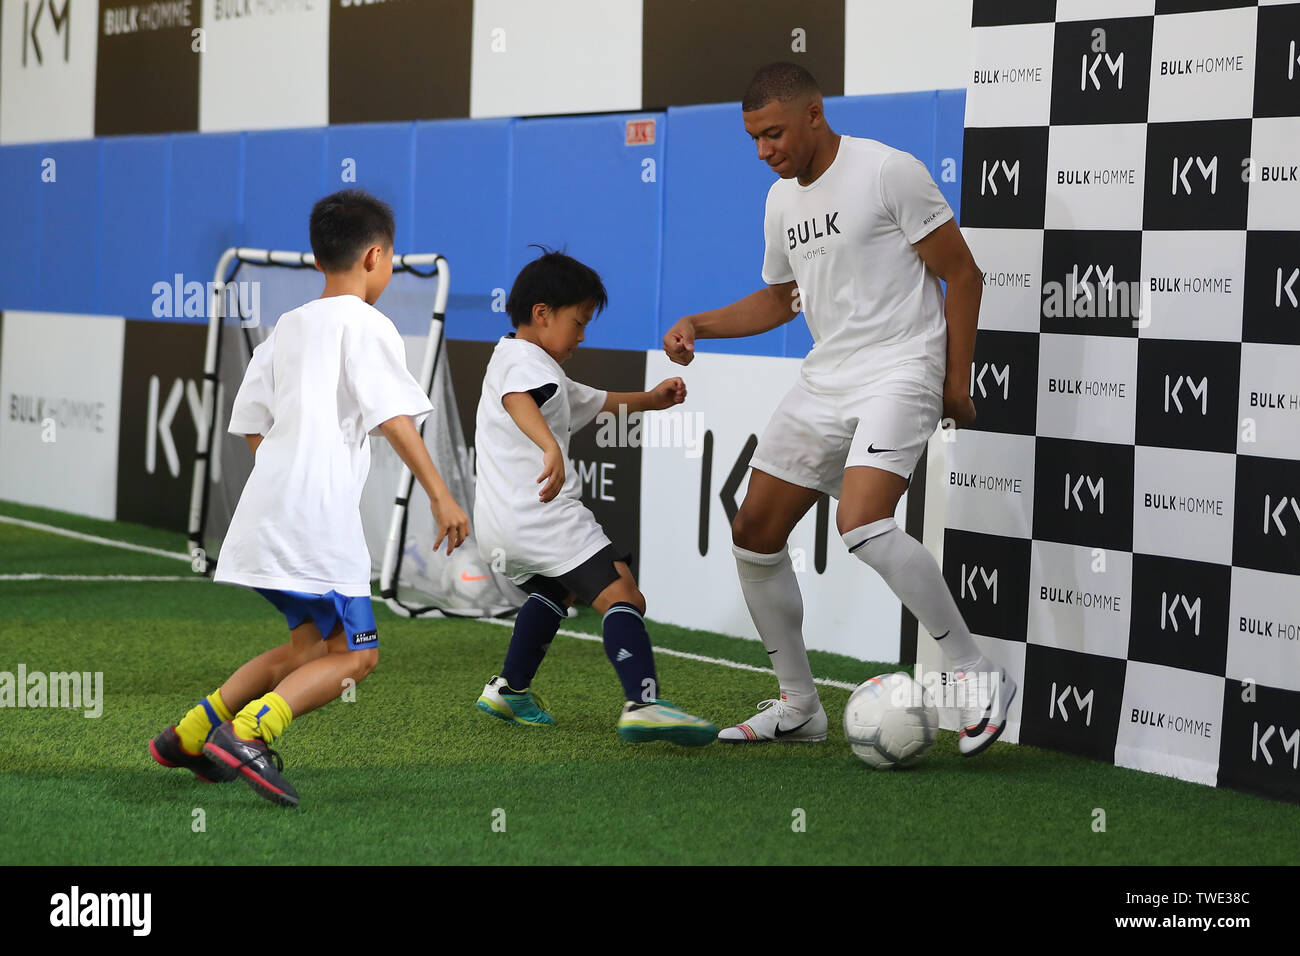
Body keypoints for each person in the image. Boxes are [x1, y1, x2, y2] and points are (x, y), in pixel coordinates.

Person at [663, 63, 1016, 755]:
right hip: (825, 378)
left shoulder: (889, 171)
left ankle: (977, 675)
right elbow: (778, 298)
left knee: (861, 522)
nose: (764, 151)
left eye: (773, 133)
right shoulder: (780, 201)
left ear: (814, 115)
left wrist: (956, 378)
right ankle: (800, 705)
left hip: (901, 366)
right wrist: (698, 324)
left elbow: (964, 272)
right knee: (754, 533)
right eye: (753, 139)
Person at [149, 189, 471, 806]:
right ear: (375, 256)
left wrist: (283, 478)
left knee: (307, 649)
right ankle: (247, 734)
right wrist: (441, 495)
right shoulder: (369, 325)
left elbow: (250, 424)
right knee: (357, 656)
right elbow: (394, 418)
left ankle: (192, 733)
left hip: (261, 516)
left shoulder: (284, 329)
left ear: (320, 259)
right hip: (317, 523)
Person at [473, 248, 716, 746]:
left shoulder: (528, 363)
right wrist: (549, 447)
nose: (582, 336)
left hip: (502, 525)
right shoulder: (525, 364)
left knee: (557, 589)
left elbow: (596, 401)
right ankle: (643, 704)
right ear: (541, 314)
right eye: (578, 322)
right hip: (543, 515)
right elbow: (519, 401)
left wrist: (652, 399)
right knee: (625, 594)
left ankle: (510, 689)